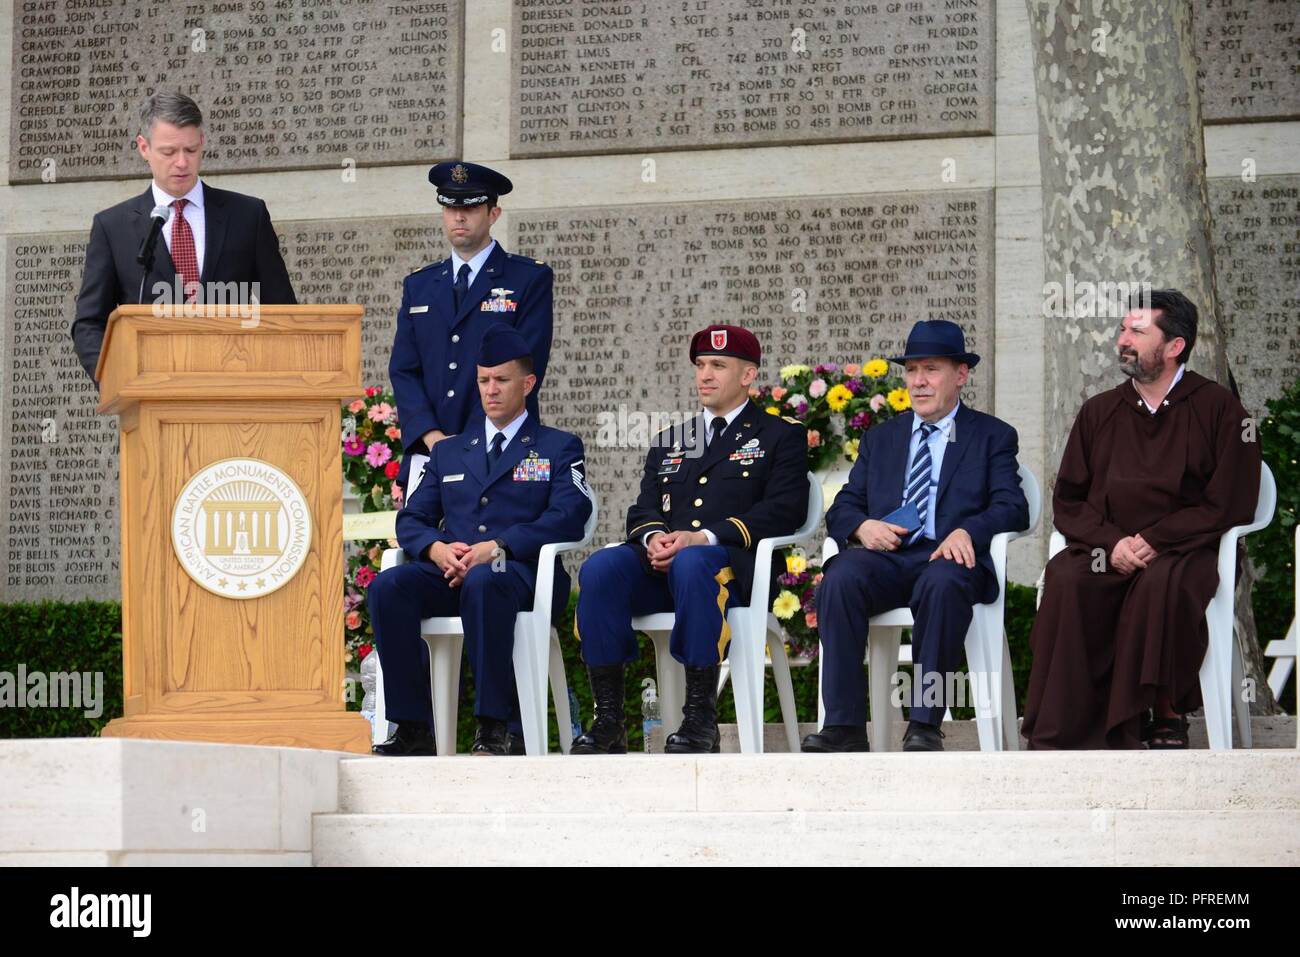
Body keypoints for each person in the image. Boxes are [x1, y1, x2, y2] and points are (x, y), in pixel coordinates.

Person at [1022, 290, 1261, 750]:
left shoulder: (1220, 410)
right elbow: (1069, 499)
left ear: (1174, 347)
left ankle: (1167, 714)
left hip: (1186, 550)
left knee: (1162, 584)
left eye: (1137, 331)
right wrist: (1113, 545)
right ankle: (1070, 722)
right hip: (1108, 550)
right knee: (1069, 576)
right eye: (1122, 330)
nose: (1123, 340)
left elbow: (1231, 500)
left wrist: (1157, 539)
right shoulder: (1099, 412)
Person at [572, 324, 809, 754]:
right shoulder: (671, 440)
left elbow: (784, 509)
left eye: (719, 365)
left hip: (731, 571)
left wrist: (701, 538)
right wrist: (655, 538)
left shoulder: (779, 435)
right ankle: (609, 720)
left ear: (748, 375)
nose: (705, 375)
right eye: (701, 365)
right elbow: (642, 508)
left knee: (693, 562)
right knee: (601, 568)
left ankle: (700, 719)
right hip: (665, 568)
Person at [804, 320, 1029, 753]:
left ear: (960, 375)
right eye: (911, 371)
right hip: (889, 559)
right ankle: (845, 726)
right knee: (841, 576)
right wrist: (863, 526)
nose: (919, 382)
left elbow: (1012, 506)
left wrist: (969, 529)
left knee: (942, 581)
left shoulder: (991, 436)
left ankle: (926, 723)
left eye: (931, 370)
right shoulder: (882, 438)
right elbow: (844, 507)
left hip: (949, 560)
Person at [368, 325, 592, 756]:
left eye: (502, 380)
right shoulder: (450, 452)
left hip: (517, 573)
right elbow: (412, 518)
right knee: (388, 588)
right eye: (484, 381)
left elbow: (570, 516)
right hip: (452, 572)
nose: (491, 390)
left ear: (528, 383)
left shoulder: (557, 447)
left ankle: (497, 726)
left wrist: (499, 547)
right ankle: (413, 727)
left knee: (486, 580)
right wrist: (436, 548)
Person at [71, 90, 296, 381]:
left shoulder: (247, 215)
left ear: (202, 142)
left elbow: (283, 311)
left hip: (237, 391)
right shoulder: (112, 227)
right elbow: (89, 323)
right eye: (169, 152)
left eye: (190, 150)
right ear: (144, 148)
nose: (181, 162)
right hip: (150, 398)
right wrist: (116, 381)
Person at [388, 161, 554, 495]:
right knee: (425, 544)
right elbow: (404, 370)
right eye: (450, 208)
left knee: (495, 544)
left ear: (494, 214)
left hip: (499, 447)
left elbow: (525, 368)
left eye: (472, 207)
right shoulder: (419, 285)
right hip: (430, 452)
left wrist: (469, 442)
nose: (459, 217)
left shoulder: (527, 279)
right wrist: (433, 438)